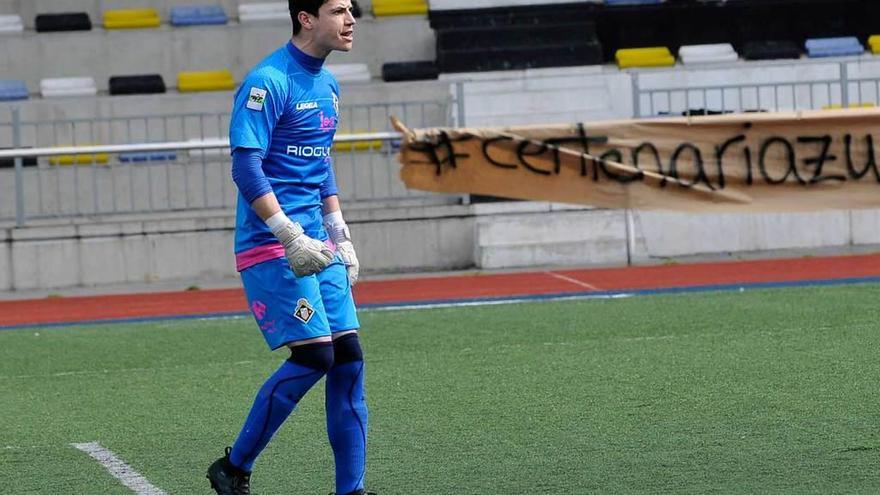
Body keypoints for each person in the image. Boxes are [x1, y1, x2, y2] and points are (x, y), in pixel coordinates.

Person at [206, 0, 371, 494]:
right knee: (316, 356)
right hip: (272, 244)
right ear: (306, 18)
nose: (350, 19)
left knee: (349, 357)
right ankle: (233, 467)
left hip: (318, 245)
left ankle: (351, 490)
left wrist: (339, 231)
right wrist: (288, 234)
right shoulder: (267, 81)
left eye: (352, 10)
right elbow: (245, 166)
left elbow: (319, 165)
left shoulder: (329, 85)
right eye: (338, 9)